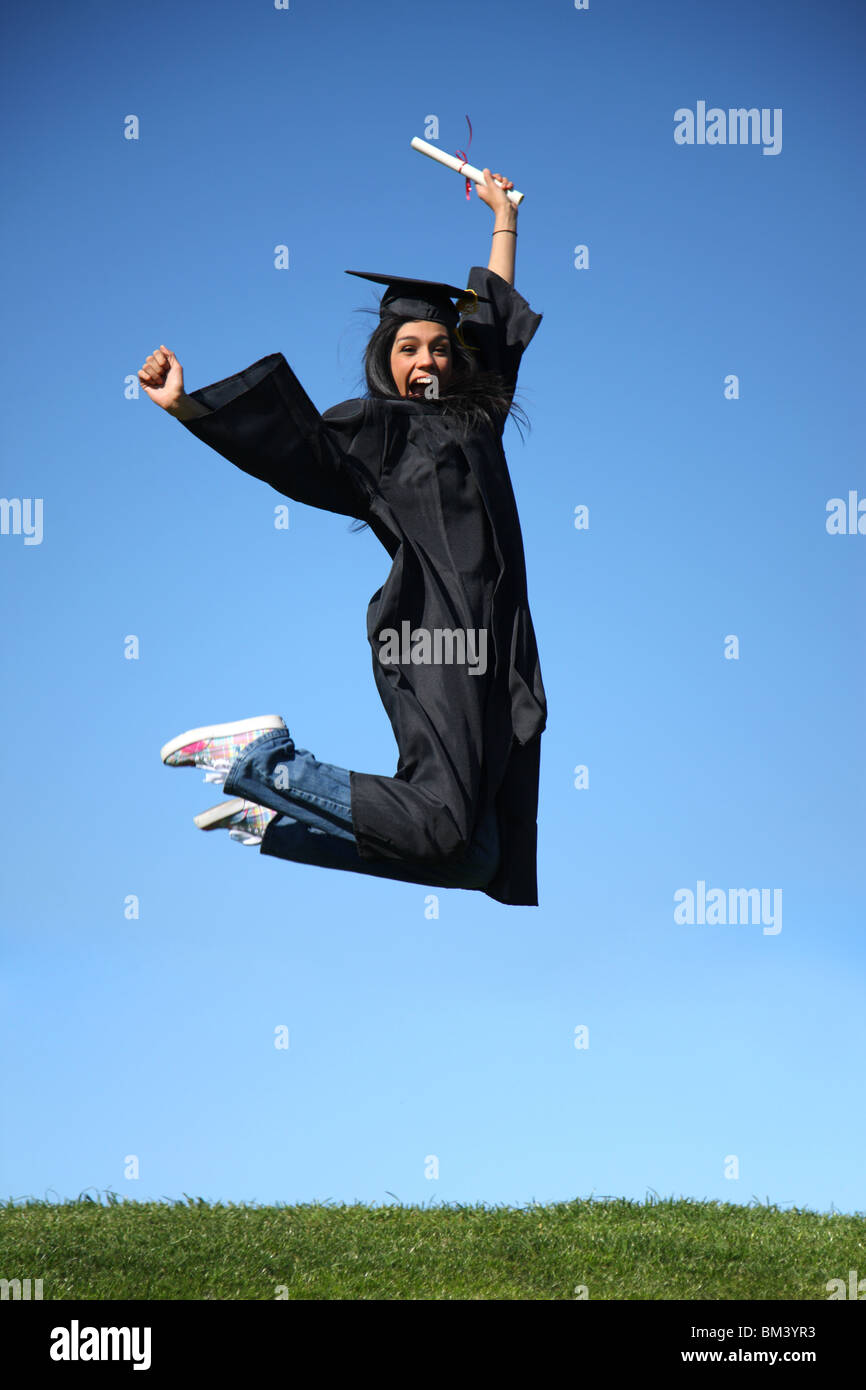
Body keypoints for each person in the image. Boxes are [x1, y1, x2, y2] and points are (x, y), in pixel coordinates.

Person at [139, 169, 547, 905]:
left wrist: (503, 217)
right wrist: (186, 408)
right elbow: (293, 453)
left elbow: (490, 320)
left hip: (505, 652)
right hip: (436, 634)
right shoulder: (377, 434)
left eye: (439, 348)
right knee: (448, 823)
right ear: (385, 362)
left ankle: (281, 820)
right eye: (408, 349)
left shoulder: (478, 418)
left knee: (479, 857)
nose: (427, 361)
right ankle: (267, 762)